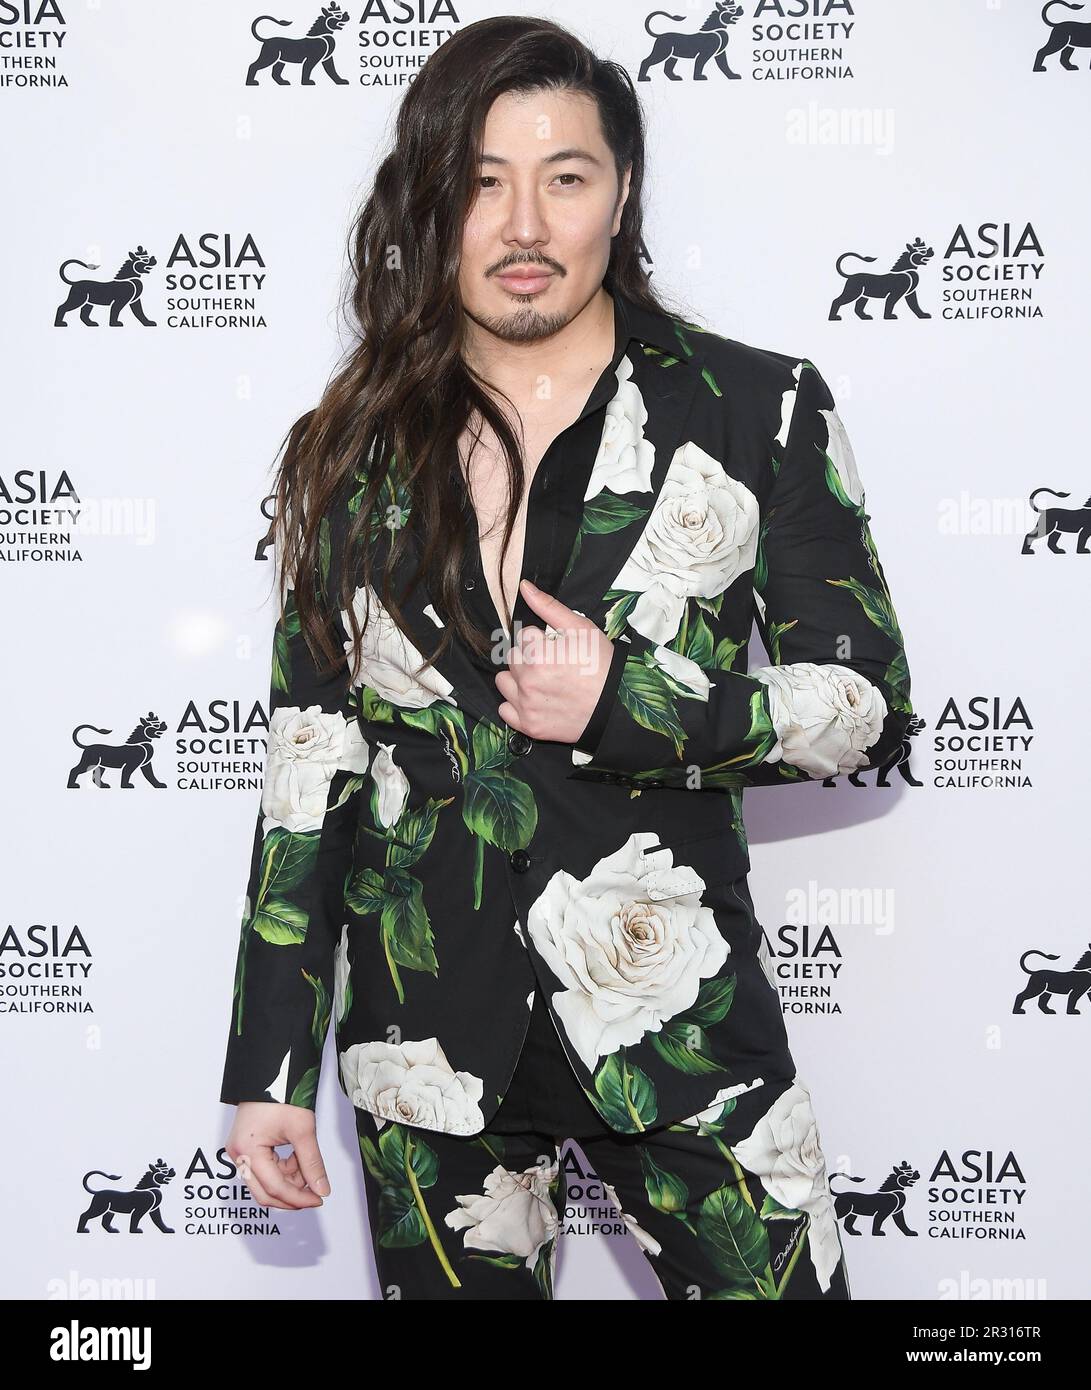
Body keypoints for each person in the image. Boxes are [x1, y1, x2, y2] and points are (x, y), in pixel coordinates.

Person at [220, 15, 913, 1301]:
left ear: (621, 193)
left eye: (565, 176)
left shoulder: (756, 408)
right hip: (424, 1055)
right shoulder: (349, 446)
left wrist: (633, 700)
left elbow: (870, 711)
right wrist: (267, 1066)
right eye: (481, 181)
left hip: (680, 1032)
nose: (523, 223)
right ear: (431, 202)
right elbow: (306, 768)